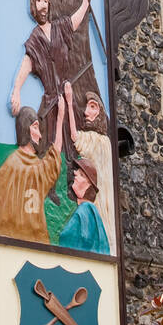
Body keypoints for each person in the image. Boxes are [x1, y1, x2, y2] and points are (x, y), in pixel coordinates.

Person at [10, 0, 91, 196]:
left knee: (71, 143)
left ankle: (74, 188)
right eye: (39, 0)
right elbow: (26, 66)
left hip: (67, 94)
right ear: (33, 6)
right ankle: (50, 188)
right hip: (50, 100)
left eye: (46, 0)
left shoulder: (60, 28)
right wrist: (16, 90)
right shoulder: (34, 39)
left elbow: (75, 19)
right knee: (47, 144)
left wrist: (85, 1)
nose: (43, 5)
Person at [0, 97, 66, 244]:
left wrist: (61, 118)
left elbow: (53, 157)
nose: (40, 136)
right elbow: (55, 154)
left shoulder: (7, 167)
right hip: (26, 245)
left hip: (17, 245)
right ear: (25, 127)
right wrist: (60, 118)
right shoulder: (17, 168)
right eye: (35, 127)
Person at [64, 80, 115, 238]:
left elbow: (74, 136)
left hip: (97, 199)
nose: (86, 112)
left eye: (92, 107)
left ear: (99, 112)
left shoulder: (98, 141)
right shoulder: (105, 142)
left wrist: (69, 100)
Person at [58, 156, 110, 255]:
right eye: (77, 171)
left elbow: (68, 240)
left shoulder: (85, 210)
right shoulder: (91, 211)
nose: (75, 173)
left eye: (81, 175)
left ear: (89, 186)